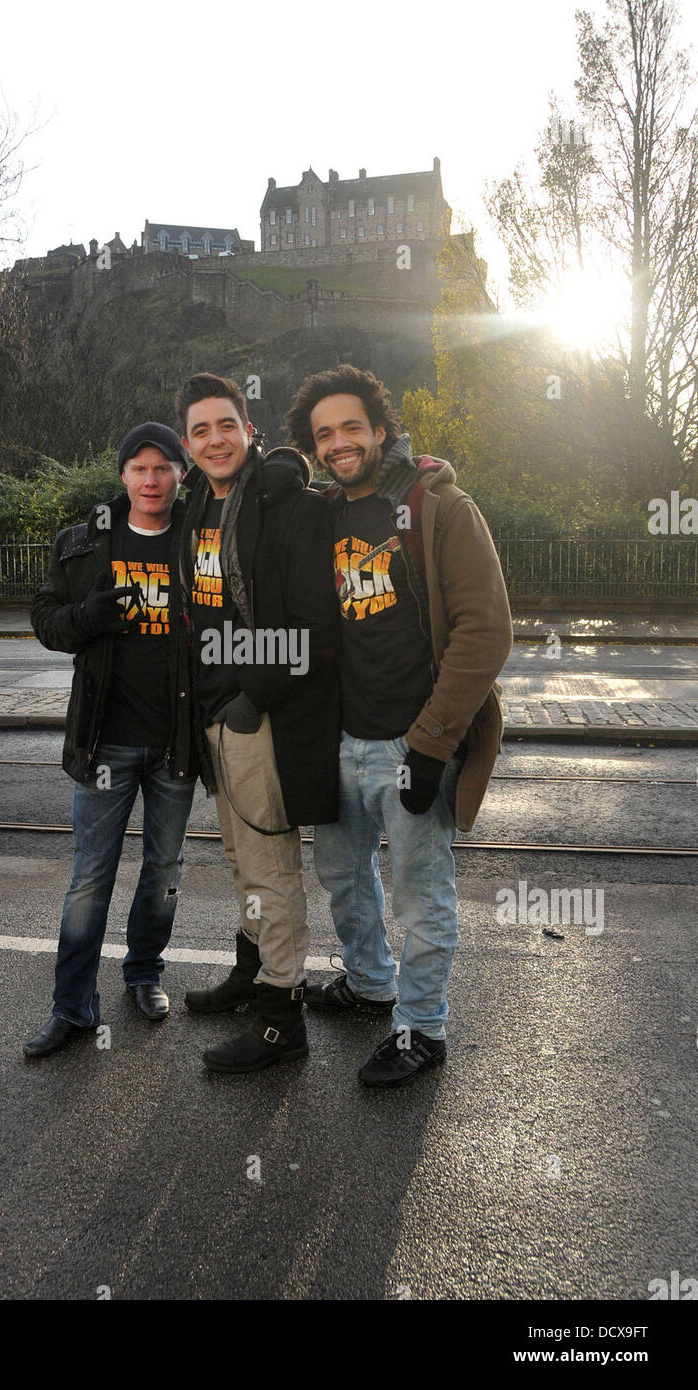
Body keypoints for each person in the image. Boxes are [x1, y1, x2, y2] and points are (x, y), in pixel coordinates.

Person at [285, 364, 512, 1087]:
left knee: (421, 895)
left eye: (352, 426)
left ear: (380, 429)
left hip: (411, 742)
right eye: (325, 434)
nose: (340, 442)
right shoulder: (321, 514)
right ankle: (370, 982)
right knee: (343, 879)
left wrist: (432, 744)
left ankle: (421, 1029)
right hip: (339, 741)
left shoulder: (438, 506)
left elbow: (486, 630)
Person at [176, 372, 340, 1074]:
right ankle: (252, 972)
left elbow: (313, 626)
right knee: (240, 861)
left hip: (255, 716)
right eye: (200, 430)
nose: (215, 440)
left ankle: (282, 1019)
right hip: (209, 716)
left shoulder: (283, 504)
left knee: (270, 866)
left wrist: (253, 698)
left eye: (225, 425)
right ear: (188, 443)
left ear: (249, 429)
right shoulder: (195, 508)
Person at [24, 423, 196, 1057]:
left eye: (163, 468)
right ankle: (72, 1007)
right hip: (106, 743)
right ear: (122, 476)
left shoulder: (200, 543)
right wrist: (84, 620)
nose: (151, 479)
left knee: (165, 872)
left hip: (175, 742)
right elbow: (45, 618)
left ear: (181, 474)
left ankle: (144, 974)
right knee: (90, 877)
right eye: (139, 468)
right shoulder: (85, 543)